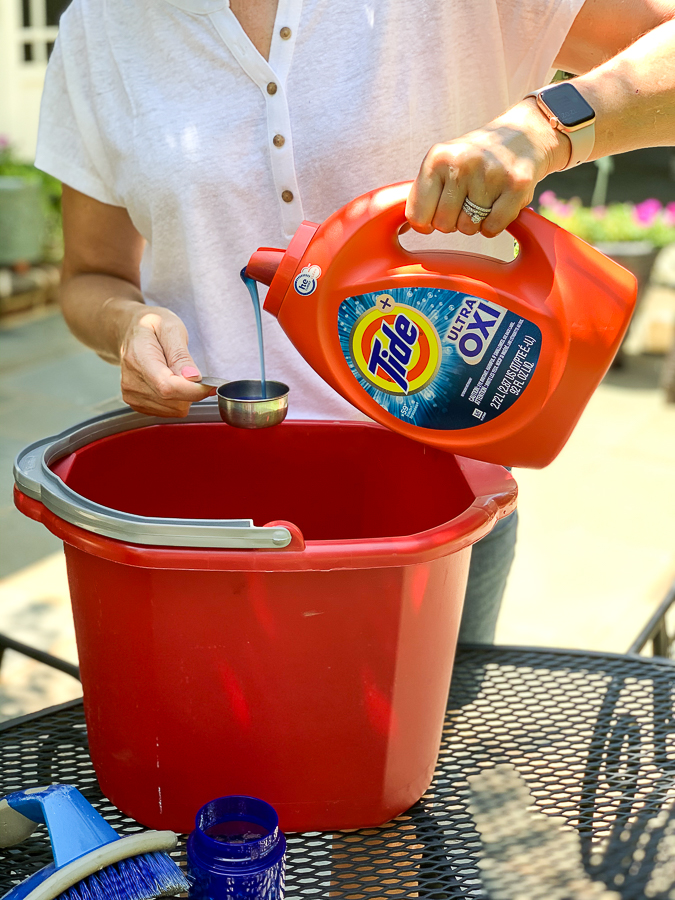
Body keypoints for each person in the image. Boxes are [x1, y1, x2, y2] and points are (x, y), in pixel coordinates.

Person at [35, 0, 675, 642]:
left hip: (438, 503)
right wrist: (127, 324)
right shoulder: (102, 25)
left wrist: (547, 127)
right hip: (205, 518)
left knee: (422, 739)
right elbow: (92, 276)